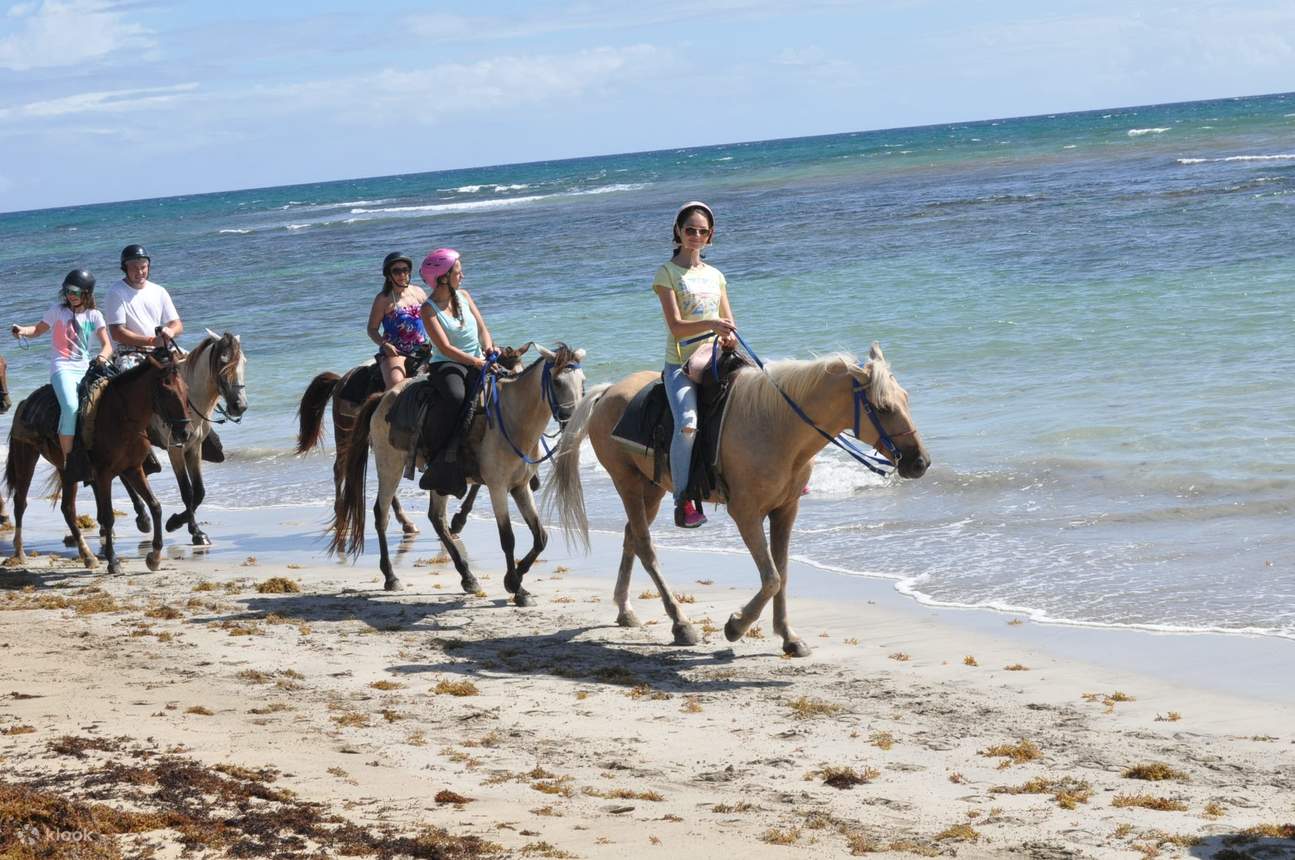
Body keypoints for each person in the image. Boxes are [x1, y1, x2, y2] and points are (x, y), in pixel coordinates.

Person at [653, 201, 737, 528]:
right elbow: (675, 326)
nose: (696, 236)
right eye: (690, 230)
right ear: (678, 231)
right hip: (681, 364)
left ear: (710, 235)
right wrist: (713, 325)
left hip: (717, 356)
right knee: (687, 424)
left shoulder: (716, 275)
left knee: (763, 391)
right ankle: (683, 499)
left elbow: (729, 320)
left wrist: (728, 334)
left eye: (703, 231)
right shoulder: (667, 273)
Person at [10, 270, 113, 480]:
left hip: (86, 368)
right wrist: (21, 330)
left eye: (75, 291)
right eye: (67, 290)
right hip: (62, 368)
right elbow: (37, 330)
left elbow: (107, 345)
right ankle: (70, 461)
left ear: (86, 292)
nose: (70, 295)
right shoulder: (57, 311)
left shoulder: (94, 315)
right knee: (71, 407)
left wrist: (102, 357)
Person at [417, 248, 496, 493]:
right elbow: (445, 348)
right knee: (456, 397)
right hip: (447, 364)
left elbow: (483, 329)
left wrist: (489, 347)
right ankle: (440, 455)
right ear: (442, 277)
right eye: (458, 272)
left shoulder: (464, 295)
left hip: (478, 359)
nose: (462, 276)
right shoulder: (428, 309)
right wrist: (475, 362)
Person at [104, 244, 182, 370]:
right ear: (125, 268)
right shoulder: (116, 292)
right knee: (130, 373)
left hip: (161, 347)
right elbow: (117, 333)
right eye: (134, 268)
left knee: (194, 365)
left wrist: (170, 331)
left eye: (143, 267)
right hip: (129, 352)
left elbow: (177, 323)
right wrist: (151, 341)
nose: (140, 272)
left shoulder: (159, 290)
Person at [366, 252, 429, 389]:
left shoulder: (418, 292)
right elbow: (372, 329)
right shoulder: (382, 299)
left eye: (405, 270)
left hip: (423, 349)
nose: (402, 274)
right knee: (396, 385)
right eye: (396, 271)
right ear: (389, 276)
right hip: (396, 352)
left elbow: (432, 318)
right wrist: (385, 345)